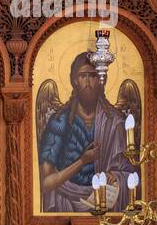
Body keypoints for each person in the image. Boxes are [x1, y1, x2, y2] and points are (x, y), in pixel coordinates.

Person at [38, 52, 136, 212]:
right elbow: (46, 183)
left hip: (105, 204)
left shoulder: (115, 122)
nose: (88, 82)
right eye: (83, 76)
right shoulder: (59, 121)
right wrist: (82, 161)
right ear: (74, 80)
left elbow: (131, 174)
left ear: (101, 80)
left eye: (94, 76)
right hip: (66, 203)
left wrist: (115, 176)